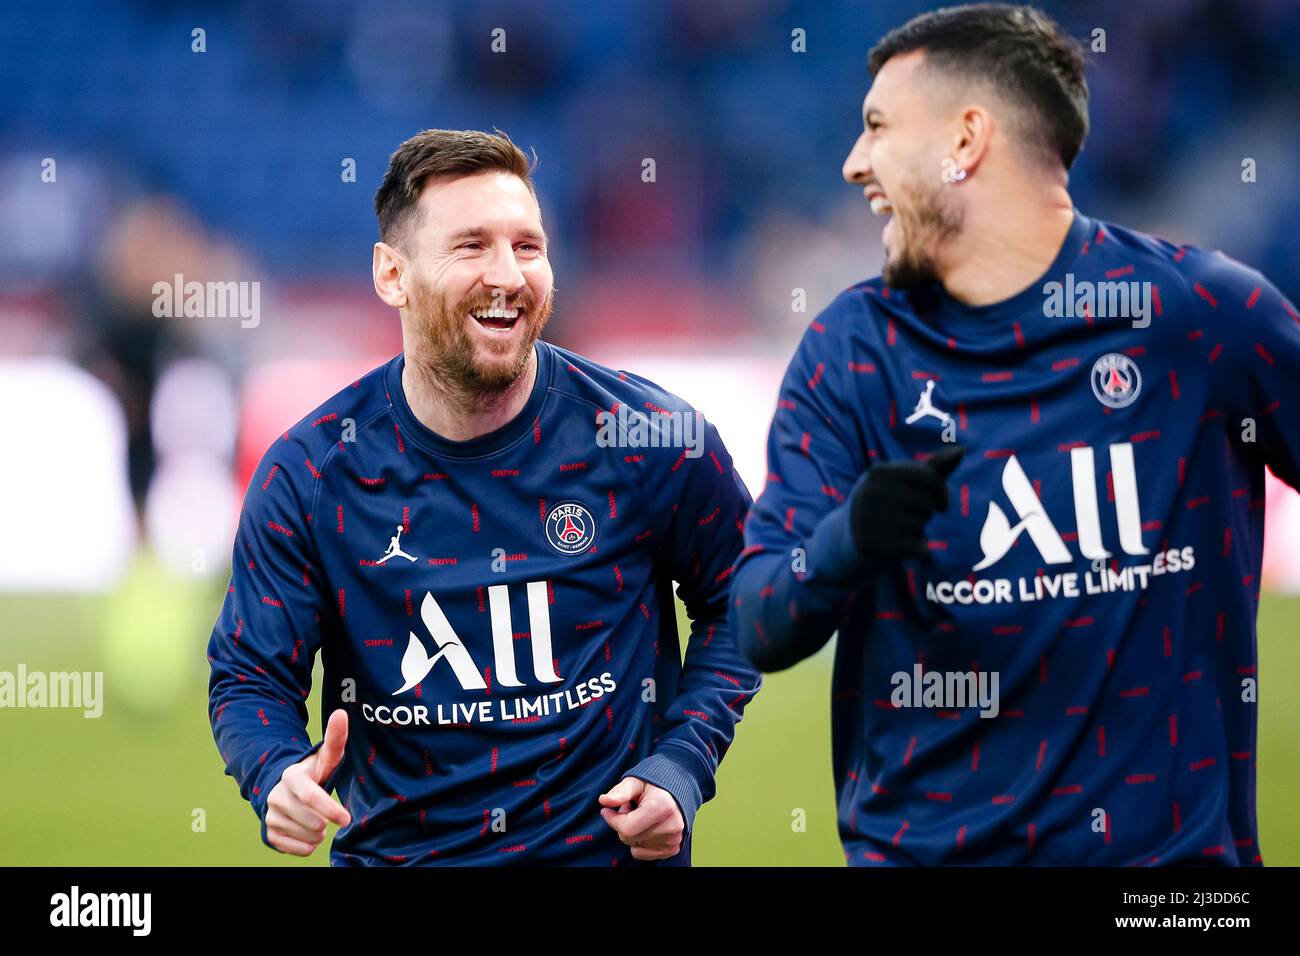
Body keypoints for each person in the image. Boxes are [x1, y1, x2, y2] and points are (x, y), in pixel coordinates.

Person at [732, 3, 1298, 865]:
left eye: (878, 127)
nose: (853, 164)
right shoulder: (851, 352)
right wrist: (849, 541)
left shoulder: (1202, 317)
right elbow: (759, 620)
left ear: (966, 141)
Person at [207, 128, 760, 865]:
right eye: (471, 247)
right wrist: (275, 771)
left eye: (527, 247)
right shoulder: (310, 473)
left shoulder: (652, 438)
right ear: (392, 275)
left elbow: (745, 600)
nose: (508, 275)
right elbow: (249, 673)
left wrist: (683, 764)